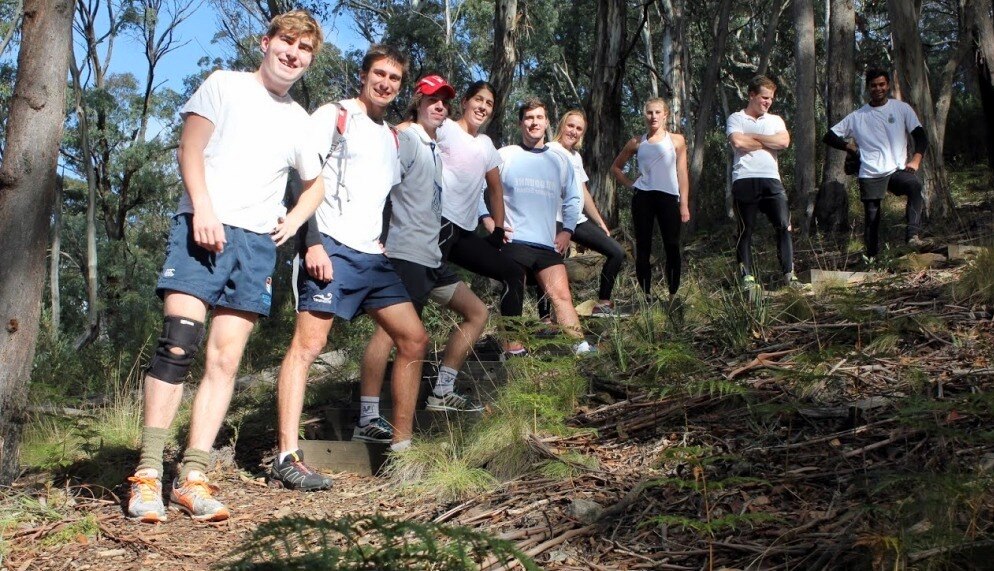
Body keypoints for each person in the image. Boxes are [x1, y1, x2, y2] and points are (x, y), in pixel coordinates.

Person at [126, 10, 326, 523]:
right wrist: (203, 208)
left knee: (225, 360)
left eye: (304, 49)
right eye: (287, 42)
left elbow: (315, 184)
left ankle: (192, 475)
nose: (293, 54)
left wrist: (295, 222)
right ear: (266, 42)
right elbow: (190, 147)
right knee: (178, 343)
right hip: (202, 228)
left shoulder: (299, 120)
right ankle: (147, 474)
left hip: (256, 245)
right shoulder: (224, 85)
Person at [271, 45, 428, 490]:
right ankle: (286, 455)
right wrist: (313, 243)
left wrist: (381, 239)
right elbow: (301, 180)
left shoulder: (393, 137)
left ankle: (401, 449)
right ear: (363, 75)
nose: (385, 83)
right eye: (379, 74)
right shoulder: (335, 115)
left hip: (372, 256)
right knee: (309, 346)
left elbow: (381, 196)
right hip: (331, 248)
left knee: (414, 339)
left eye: (394, 78)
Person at [355, 75, 489, 446]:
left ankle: (442, 388)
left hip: (432, 257)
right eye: (432, 99)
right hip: (404, 255)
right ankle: (368, 416)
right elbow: (379, 184)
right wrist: (375, 238)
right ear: (417, 101)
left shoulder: (431, 145)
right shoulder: (408, 139)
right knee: (390, 333)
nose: (440, 106)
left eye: (445, 100)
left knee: (477, 312)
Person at [486, 98, 593, 355]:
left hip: (546, 242)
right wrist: (490, 223)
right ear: (521, 122)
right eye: (529, 118)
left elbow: (573, 198)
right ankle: (513, 350)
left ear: (547, 122)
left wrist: (567, 230)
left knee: (562, 296)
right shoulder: (505, 155)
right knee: (514, 291)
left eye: (539, 118)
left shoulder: (560, 159)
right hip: (515, 240)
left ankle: (580, 347)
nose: (534, 123)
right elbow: (479, 190)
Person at [435, 82, 528, 356]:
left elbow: (496, 188)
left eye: (489, 103)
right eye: (478, 99)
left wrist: (498, 230)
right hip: (436, 224)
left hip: (463, 233)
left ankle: (513, 345)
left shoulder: (486, 144)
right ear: (464, 102)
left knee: (513, 272)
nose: (483, 107)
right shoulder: (445, 128)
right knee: (415, 292)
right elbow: (412, 133)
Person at [823, 68, 927, 260]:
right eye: (873, 85)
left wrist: (916, 160)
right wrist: (850, 147)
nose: (878, 88)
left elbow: (920, 135)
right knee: (872, 218)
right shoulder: (857, 116)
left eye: (881, 84)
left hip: (896, 169)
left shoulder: (901, 109)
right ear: (868, 88)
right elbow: (829, 136)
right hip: (870, 172)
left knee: (914, 187)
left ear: (888, 85)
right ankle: (872, 259)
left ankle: (912, 236)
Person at [545, 110, 627, 318]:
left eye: (578, 128)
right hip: (553, 220)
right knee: (550, 264)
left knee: (616, 252)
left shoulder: (576, 156)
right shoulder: (549, 150)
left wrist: (599, 222)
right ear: (562, 126)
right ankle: (545, 317)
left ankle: (603, 303)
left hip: (576, 221)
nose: (573, 131)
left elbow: (583, 193)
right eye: (570, 126)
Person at [610, 98, 690, 301]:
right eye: (649, 112)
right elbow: (616, 167)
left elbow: (682, 172)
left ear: (665, 115)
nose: (653, 116)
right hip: (643, 197)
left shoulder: (677, 140)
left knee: (671, 244)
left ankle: (673, 294)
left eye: (657, 112)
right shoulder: (637, 142)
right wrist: (631, 184)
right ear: (645, 115)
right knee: (643, 246)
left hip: (669, 197)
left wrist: (684, 205)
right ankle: (646, 294)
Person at [726, 75, 802, 290]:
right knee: (745, 229)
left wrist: (754, 138)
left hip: (772, 181)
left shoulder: (776, 120)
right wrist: (769, 142)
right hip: (744, 179)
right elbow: (738, 142)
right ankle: (746, 277)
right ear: (751, 95)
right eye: (764, 97)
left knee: (784, 225)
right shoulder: (736, 118)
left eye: (771, 98)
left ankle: (789, 275)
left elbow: (784, 142)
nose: (768, 102)